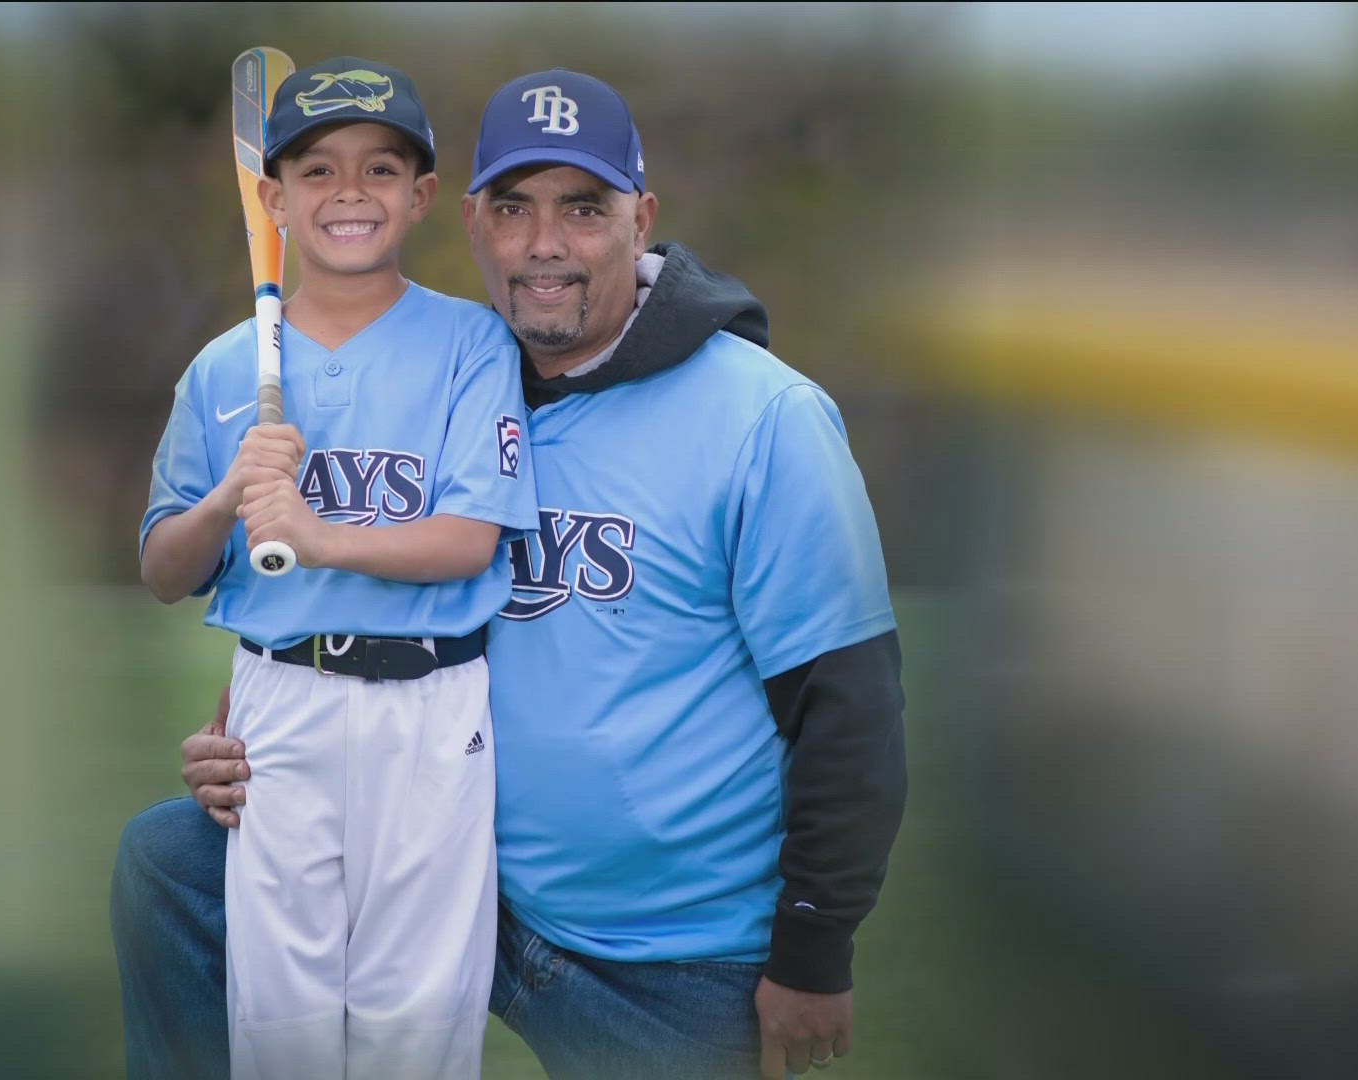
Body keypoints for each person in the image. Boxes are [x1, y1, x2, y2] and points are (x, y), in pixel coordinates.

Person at [115, 68, 906, 1080]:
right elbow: (358, 591)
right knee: (168, 866)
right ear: (476, 223)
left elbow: (850, 703)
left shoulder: (765, 418)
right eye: (517, 209)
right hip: (453, 858)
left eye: (584, 209)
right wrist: (259, 712)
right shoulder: (456, 375)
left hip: (664, 961)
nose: (545, 245)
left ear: (641, 218)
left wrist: (814, 946)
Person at [135, 57, 539, 1080]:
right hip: (282, 702)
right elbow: (162, 567)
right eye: (316, 172)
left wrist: (316, 534)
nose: (349, 193)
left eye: (380, 169)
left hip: (434, 702)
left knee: (419, 1026)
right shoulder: (226, 370)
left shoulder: (470, 343)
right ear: (273, 199)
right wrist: (230, 498)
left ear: (421, 197)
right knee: (284, 1025)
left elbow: (469, 540)